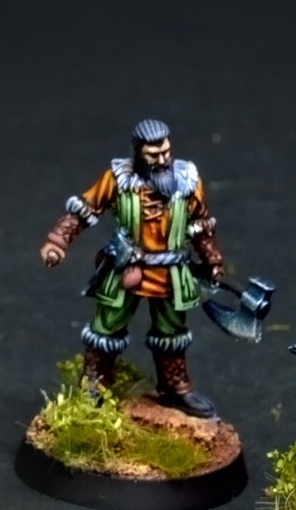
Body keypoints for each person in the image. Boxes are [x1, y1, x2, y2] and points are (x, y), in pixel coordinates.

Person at [39, 119, 226, 418]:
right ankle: (94, 387)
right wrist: (58, 241)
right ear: (138, 154)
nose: (162, 160)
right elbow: (85, 209)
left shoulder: (188, 180)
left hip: (170, 272)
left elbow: (201, 225)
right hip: (126, 268)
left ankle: (175, 387)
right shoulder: (117, 179)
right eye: (154, 155)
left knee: (172, 332)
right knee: (105, 328)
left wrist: (213, 261)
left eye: (166, 152)